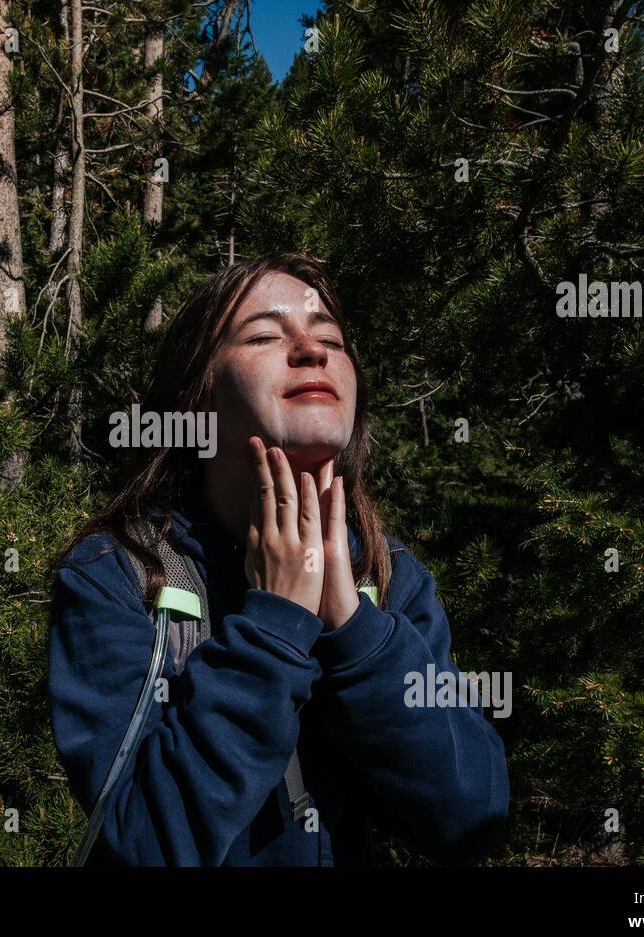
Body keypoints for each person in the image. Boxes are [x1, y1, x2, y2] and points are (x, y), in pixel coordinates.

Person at [47, 252, 509, 866]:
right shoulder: (119, 575)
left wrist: (355, 631)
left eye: (330, 339)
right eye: (264, 334)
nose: (311, 352)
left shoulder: (389, 575)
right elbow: (145, 845)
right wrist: (272, 628)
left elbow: (473, 816)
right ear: (195, 399)